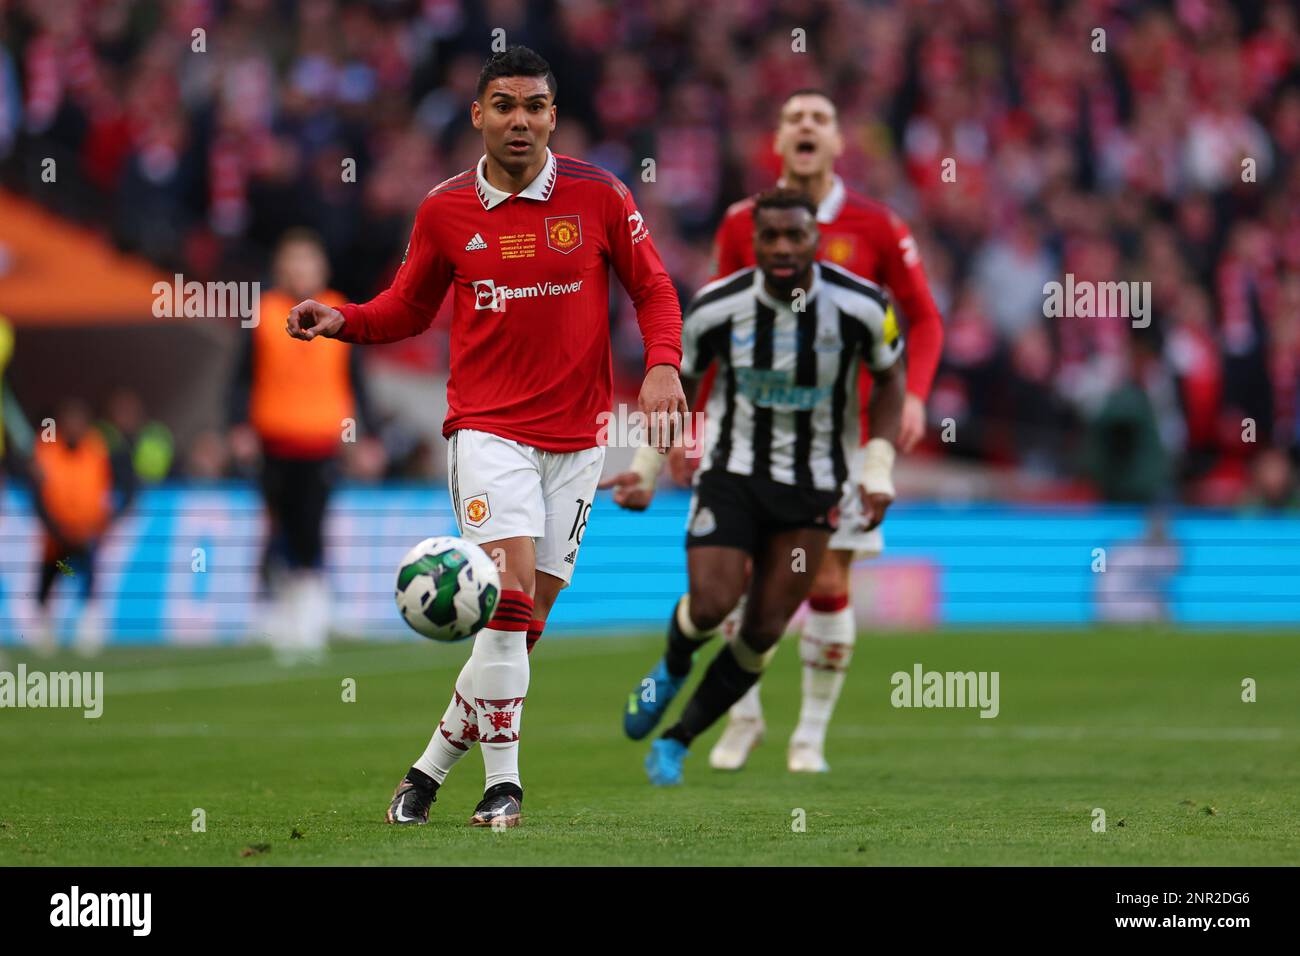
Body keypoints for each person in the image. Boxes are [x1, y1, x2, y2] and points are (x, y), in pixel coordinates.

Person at [285, 46, 685, 826]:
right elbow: (407, 309)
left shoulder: (599, 196)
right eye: (504, 105)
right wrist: (344, 319)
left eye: (535, 106)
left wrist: (664, 365)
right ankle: (505, 787)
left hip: (577, 440)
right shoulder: (443, 210)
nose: (520, 120)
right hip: (488, 431)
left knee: (522, 631)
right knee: (504, 608)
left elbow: (654, 286)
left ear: (553, 117)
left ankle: (426, 774)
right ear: (477, 115)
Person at [669, 89, 944, 773]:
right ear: (779, 141)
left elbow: (925, 320)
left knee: (823, 576)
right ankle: (744, 719)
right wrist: (689, 424)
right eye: (793, 118)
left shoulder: (878, 225)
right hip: (747, 425)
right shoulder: (743, 222)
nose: (806, 127)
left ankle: (810, 736)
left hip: (840, 433)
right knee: (738, 577)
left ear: (837, 141)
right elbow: (711, 322)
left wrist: (913, 397)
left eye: (819, 118)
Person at [603, 189, 906, 786]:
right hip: (732, 477)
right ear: (755, 241)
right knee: (714, 605)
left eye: (797, 235)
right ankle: (671, 666)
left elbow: (890, 380)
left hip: (813, 489)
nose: (785, 247)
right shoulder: (717, 306)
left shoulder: (864, 306)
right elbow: (676, 383)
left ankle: (678, 740)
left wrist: (877, 468)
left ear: (815, 235)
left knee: (765, 629)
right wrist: (645, 467)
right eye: (772, 236)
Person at [229, 228, 382, 665]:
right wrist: (237, 426)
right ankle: (280, 615)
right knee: (277, 527)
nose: (300, 269)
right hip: (273, 441)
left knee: (312, 526)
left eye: (308, 260)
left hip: (321, 443)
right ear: (280, 267)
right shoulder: (262, 314)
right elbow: (241, 379)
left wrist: (366, 435)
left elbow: (358, 381)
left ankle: (311, 618)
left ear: (322, 267)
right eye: (292, 260)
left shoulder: (338, 312)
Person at [30, 398, 115, 656]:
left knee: (89, 579)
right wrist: (56, 529)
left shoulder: (97, 449)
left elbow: (108, 490)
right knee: (50, 578)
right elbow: (39, 496)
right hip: (55, 538)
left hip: (85, 535)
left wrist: (97, 525)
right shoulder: (46, 450)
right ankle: (43, 634)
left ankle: (87, 631)